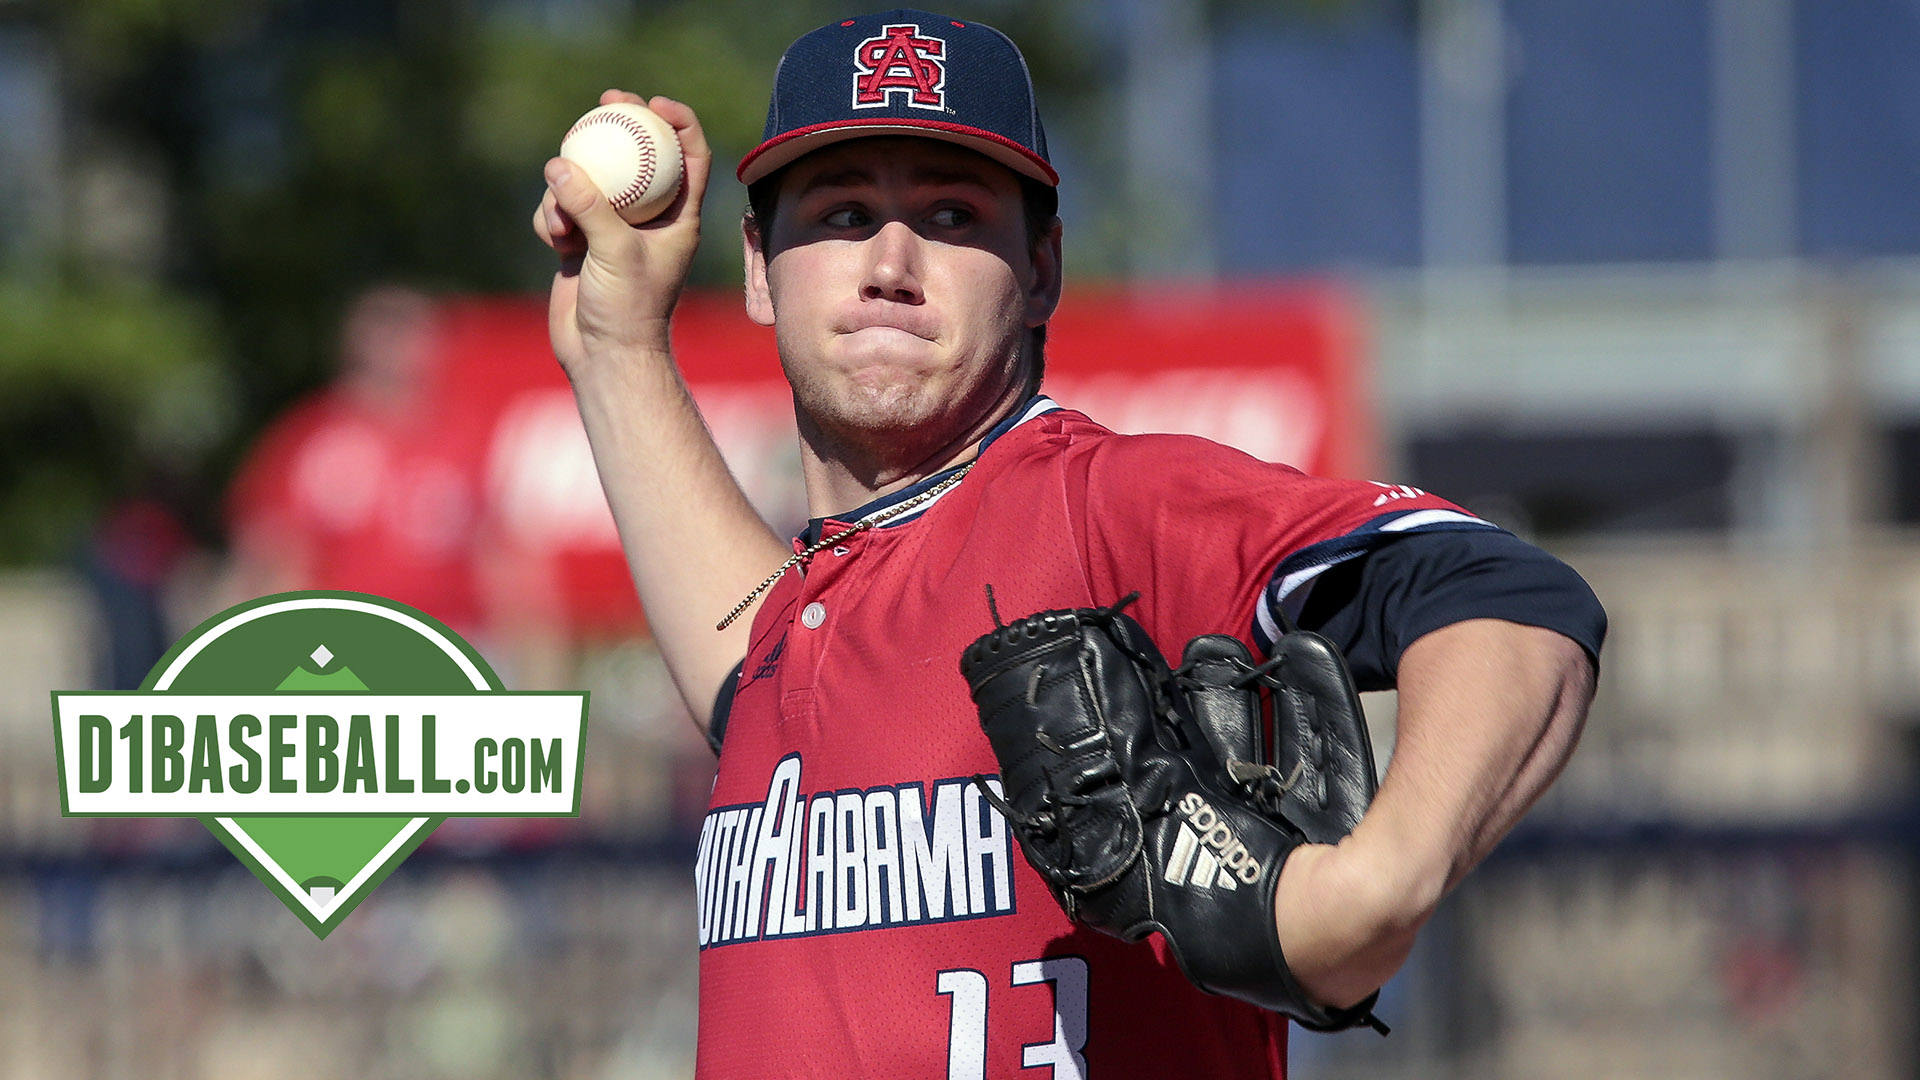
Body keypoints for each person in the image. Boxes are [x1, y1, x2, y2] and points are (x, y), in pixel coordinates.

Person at [533, 10, 1603, 1076]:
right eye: (844, 212)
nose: (892, 262)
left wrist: (1370, 890)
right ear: (761, 269)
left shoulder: (1107, 508)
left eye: (952, 215)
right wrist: (615, 342)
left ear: (1040, 269)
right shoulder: (790, 622)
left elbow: (1509, 596)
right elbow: (738, 665)